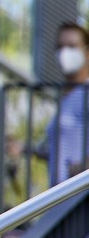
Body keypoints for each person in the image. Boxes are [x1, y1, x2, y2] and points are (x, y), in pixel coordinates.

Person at [45, 22, 89, 187]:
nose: (65, 52)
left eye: (71, 46)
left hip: (80, 198)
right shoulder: (66, 97)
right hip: (61, 198)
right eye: (60, 46)